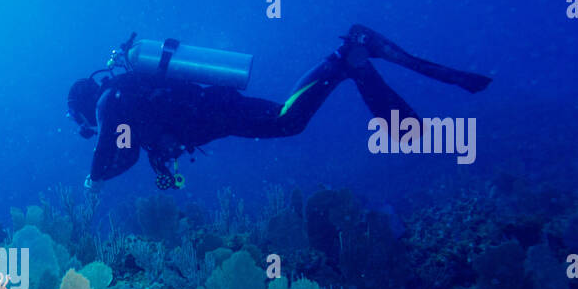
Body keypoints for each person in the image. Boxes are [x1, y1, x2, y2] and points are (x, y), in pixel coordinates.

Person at [67, 26, 491, 189]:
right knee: (289, 119)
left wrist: (90, 179)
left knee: (288, 121)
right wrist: (163, 166)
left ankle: (344, 59)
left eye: (82, 123)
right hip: (214, 111)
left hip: (216, 111)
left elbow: (112, 160)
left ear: (86, 105)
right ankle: (353, 65)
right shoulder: (123, 99)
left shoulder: (110, 101)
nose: (89, 127)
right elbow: (146, 140)